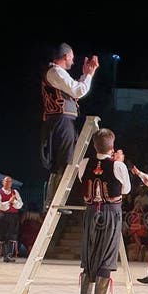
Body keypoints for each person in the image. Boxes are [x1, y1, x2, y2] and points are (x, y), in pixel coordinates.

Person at [79, 128, 130, 294]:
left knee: (89, 254)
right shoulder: (118, 166)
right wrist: (119, 163)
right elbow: (125, 189)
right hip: (111, 213)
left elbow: (81, 180)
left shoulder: (84, 163)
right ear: (112, 146)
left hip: (91, 212)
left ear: (94, 145)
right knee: (106, 256)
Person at [40, 43, 99, 210]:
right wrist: (89, 75)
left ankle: (54, 199)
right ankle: (53, 200)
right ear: (66, 56)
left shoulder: (58, 74)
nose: (73, 61)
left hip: (63, 120)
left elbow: (75, 90)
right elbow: (78, 90)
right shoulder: (55, 72)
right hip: (61, 121)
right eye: (72, 57)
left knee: (65, 160)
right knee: (64, 161)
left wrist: (85, 75)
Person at [0, 176, 23, 262]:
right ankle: (5, 254)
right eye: (6, 181)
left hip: (13, 216)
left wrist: (14, 202)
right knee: (4, 235)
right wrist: (8, 202)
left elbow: (20, 204)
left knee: (12, 235)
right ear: (3, 182)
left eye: (10, 181)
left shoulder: (15, 192)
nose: (8, 183)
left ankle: (9, 254)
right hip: (2, 216)